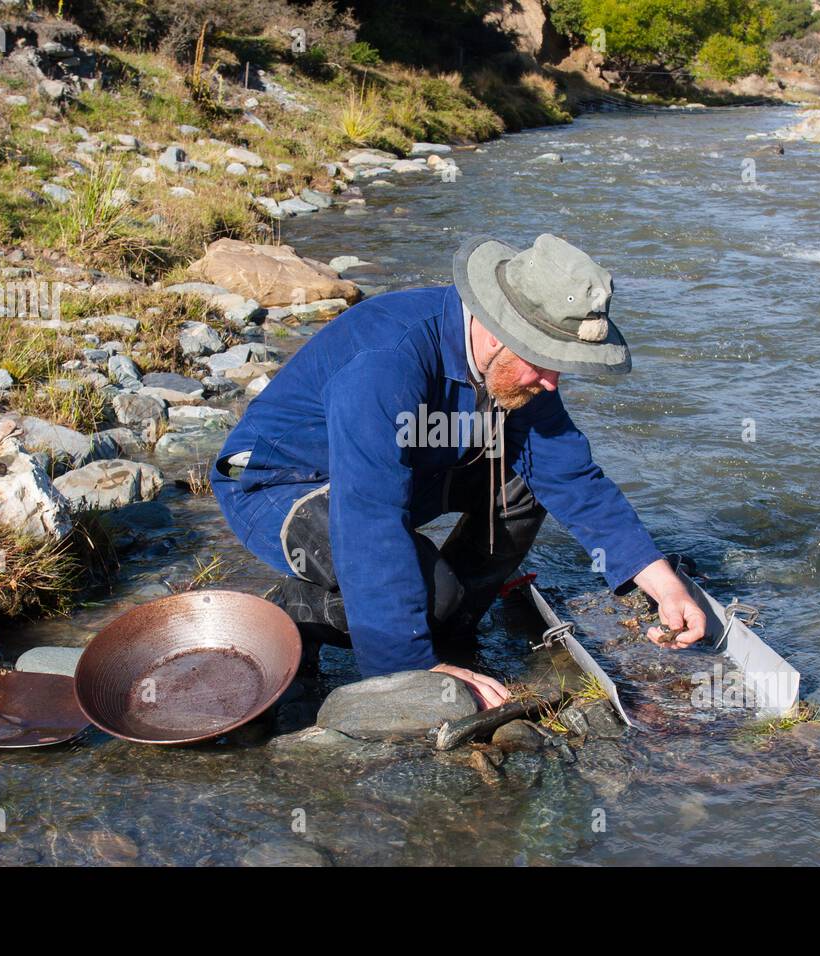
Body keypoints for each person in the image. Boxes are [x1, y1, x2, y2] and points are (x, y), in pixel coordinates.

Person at [211, 233, 706, 707]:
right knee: (425, 593)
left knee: (523, 482)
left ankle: (451, 627)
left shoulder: (516, 371)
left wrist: (660, 581)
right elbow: (369, 516)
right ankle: (294, 612)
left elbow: (569, 475)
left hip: (402, 469)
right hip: (281, 486)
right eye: (545, 363)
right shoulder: (385, 361)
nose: (552, 383)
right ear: (495, 331)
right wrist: (409, 672)